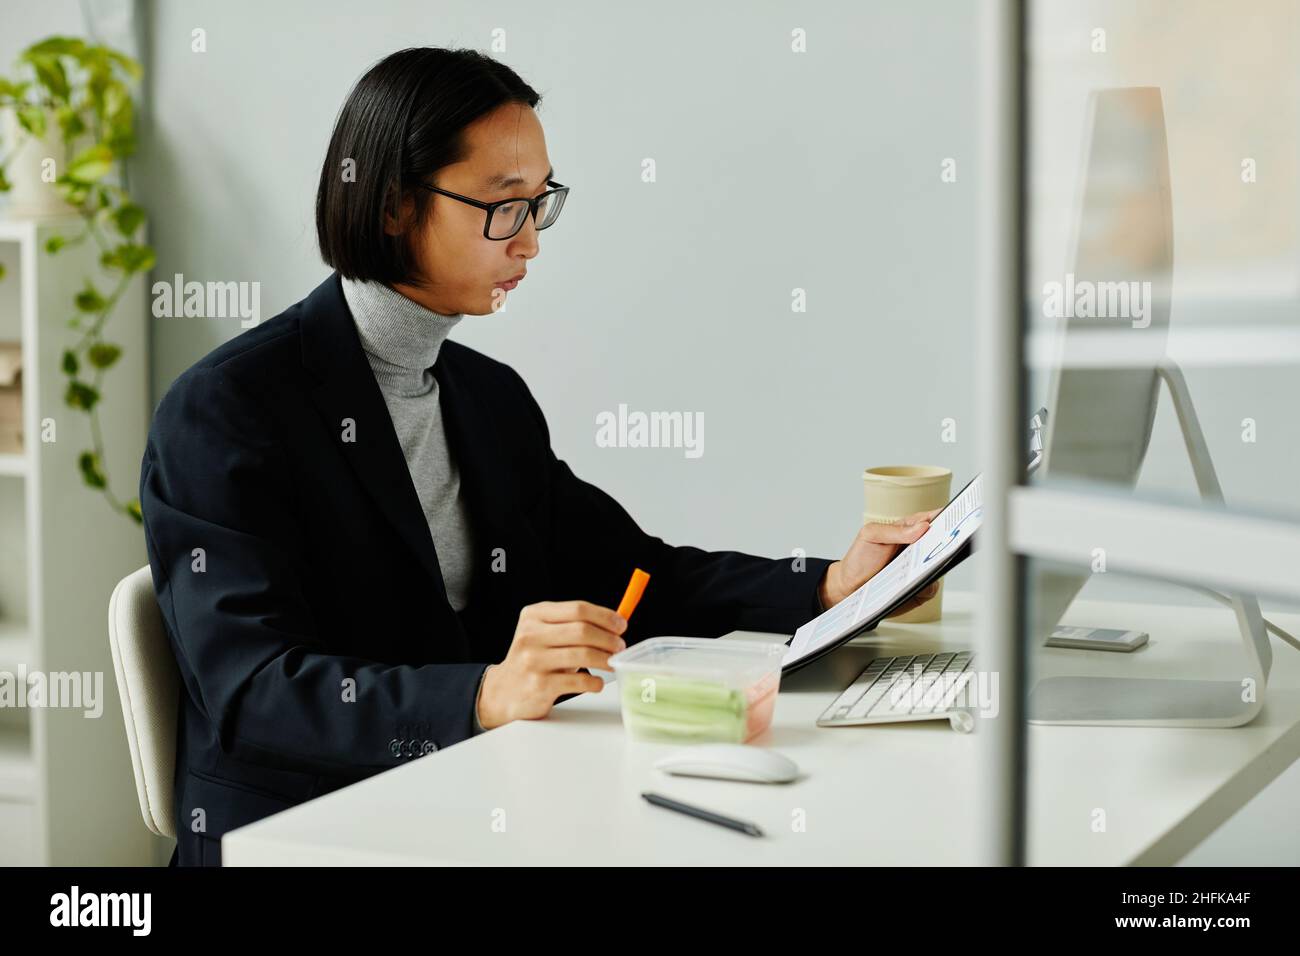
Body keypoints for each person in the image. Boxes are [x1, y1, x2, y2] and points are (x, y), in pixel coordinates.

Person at [140, 47, 939, 866]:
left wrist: (828, 585)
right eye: (501, 206)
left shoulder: (486, 396)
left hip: (476, 801)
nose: (529, 244)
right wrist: (485, 692)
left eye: (540, 204)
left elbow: (629, 572)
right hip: (312, 834)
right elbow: (251, 690)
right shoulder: (229, 410)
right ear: (390, 207)